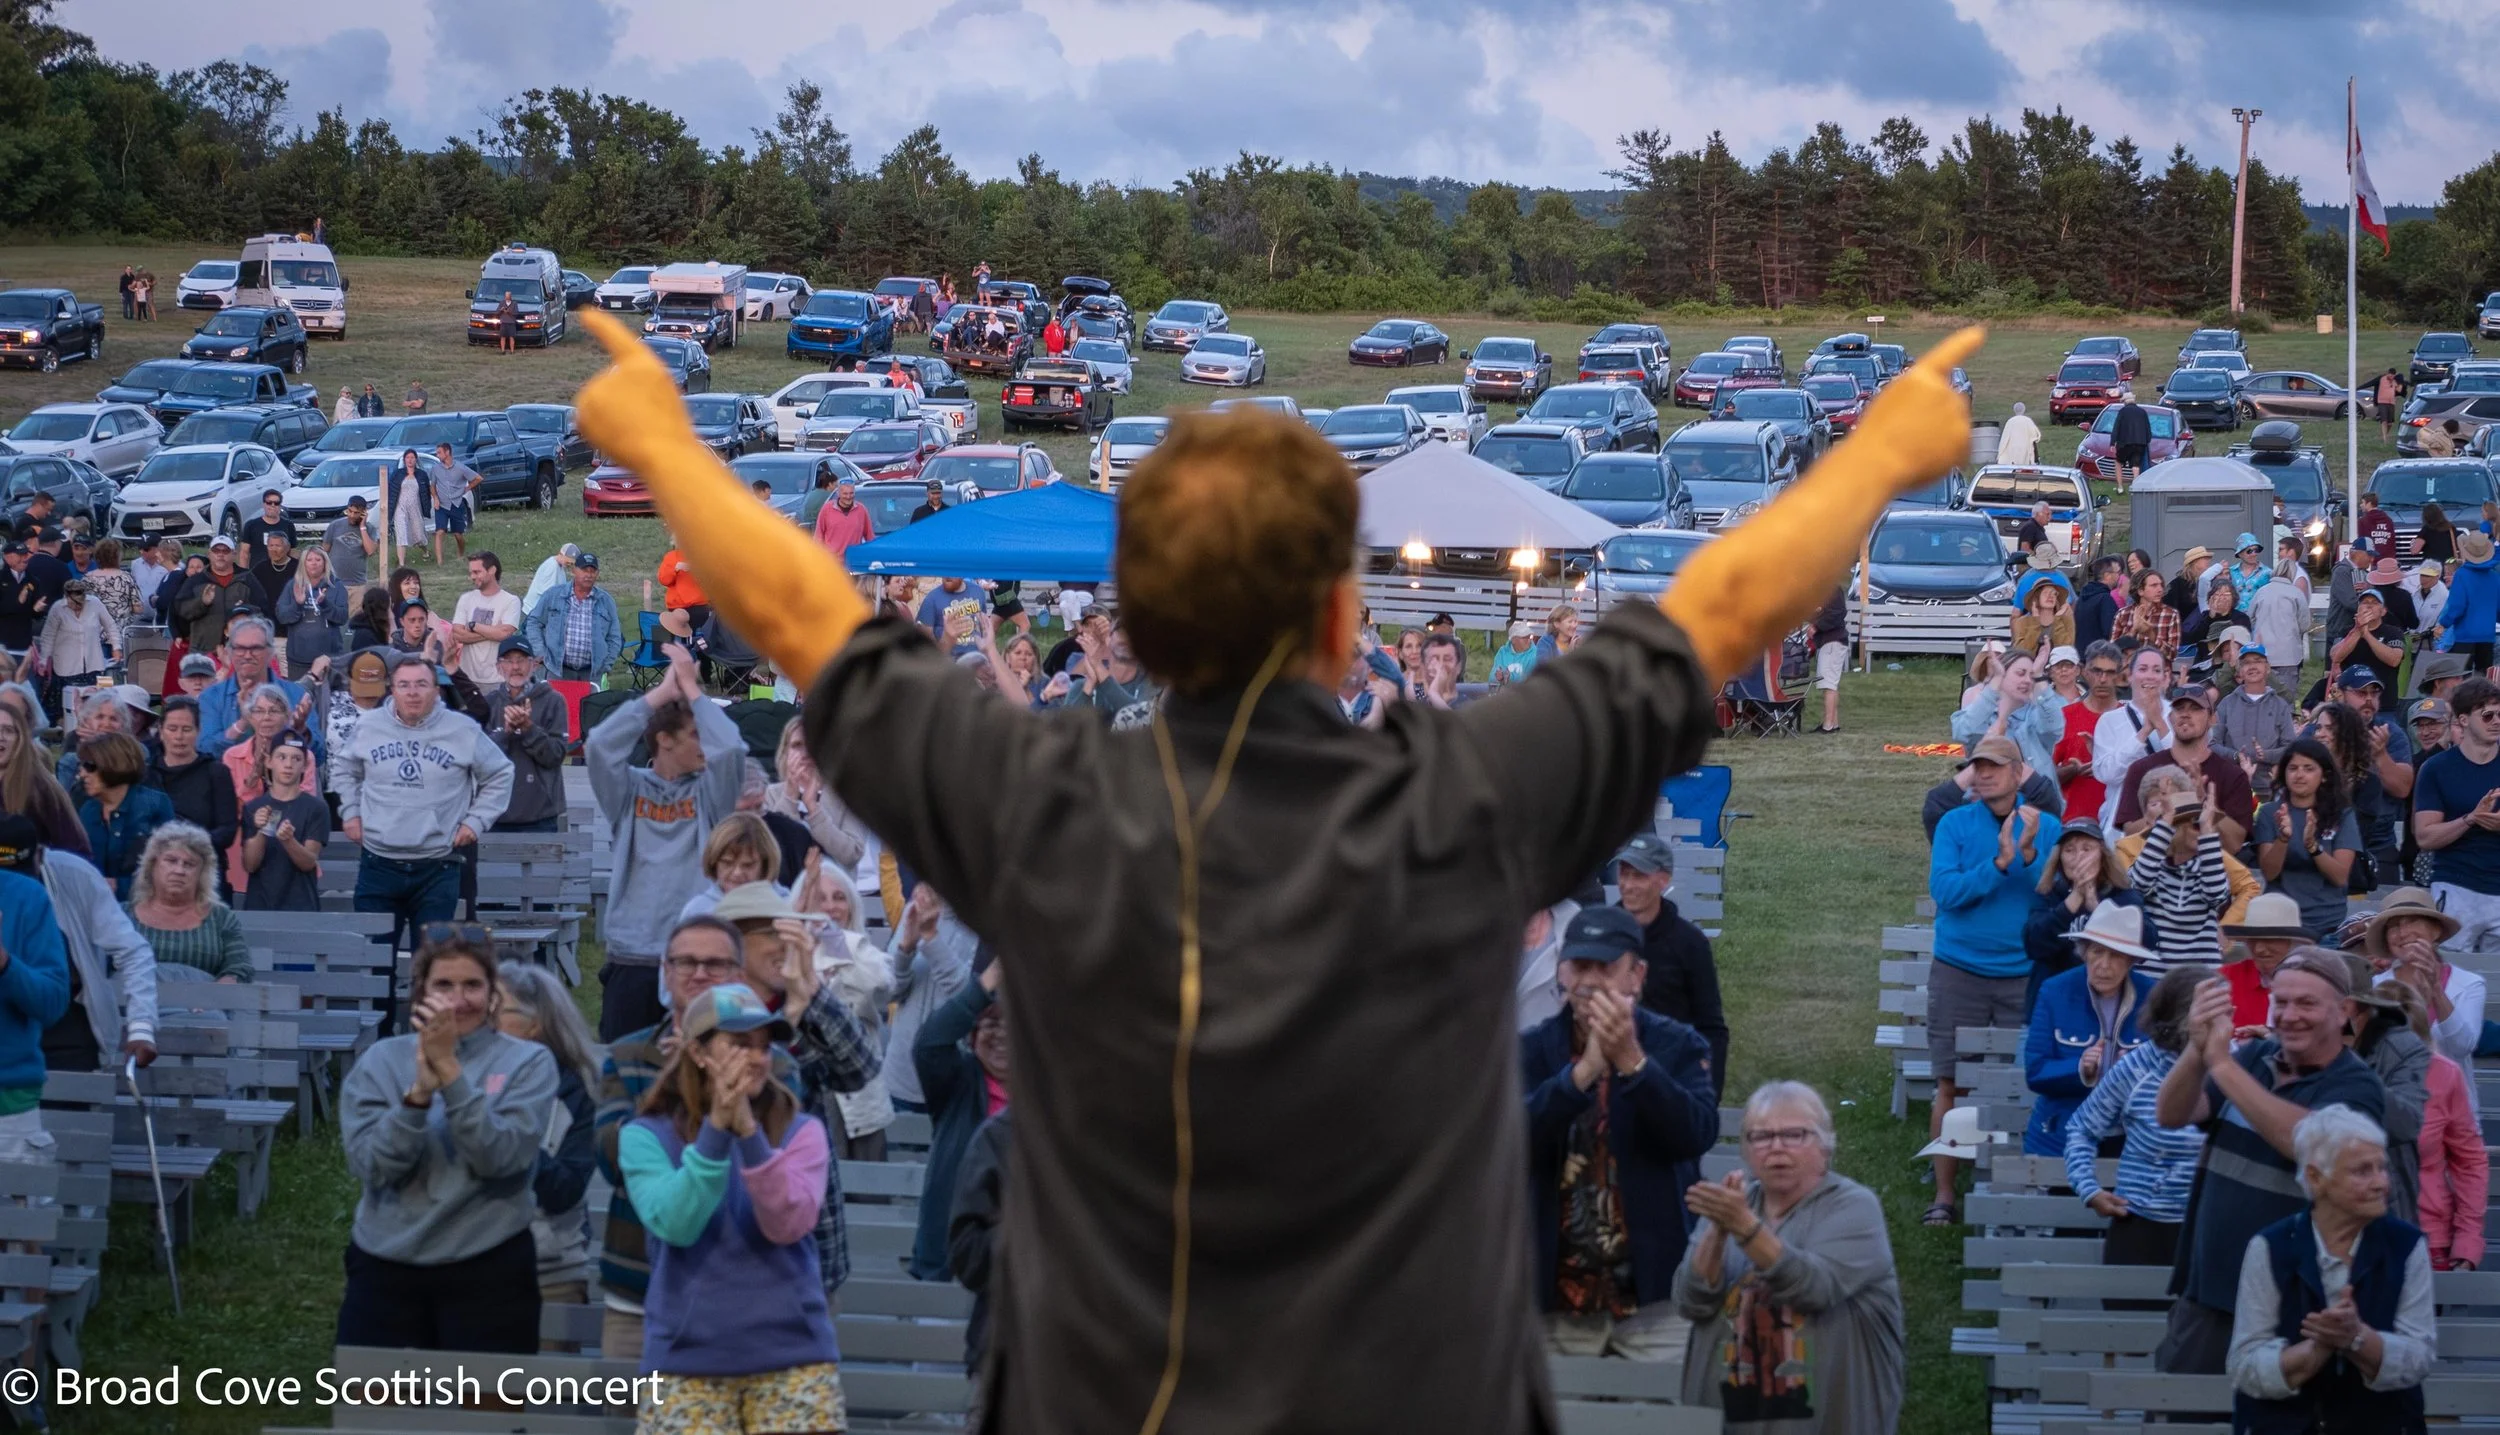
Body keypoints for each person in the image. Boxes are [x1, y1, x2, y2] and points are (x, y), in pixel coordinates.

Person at [572, 306, 1987, 1428]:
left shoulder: (1036, 802)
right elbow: (1719, 607)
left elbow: (811, 615)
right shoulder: (1464, 798)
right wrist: (1875, 455)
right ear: (1341, 607)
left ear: (1135, 620)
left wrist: (667, 445)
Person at [618, 982, 844, 1434]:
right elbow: (676, 1223)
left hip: (794, 1358)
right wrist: (716, 1134)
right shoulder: (643, 1136)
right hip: (684, 1363)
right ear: (698, 1053)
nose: (757, 1058)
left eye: (763, 1046)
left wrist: (750, 1137)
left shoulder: (803, 1131)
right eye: (740, 1044)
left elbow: (788, 1223)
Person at [2154, 950, 2387, 1373]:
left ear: (2344, 1012)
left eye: (2307, 1003)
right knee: (2183, 1406)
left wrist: (2222, 1064)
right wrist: (2197, 1047)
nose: (2289, 1016)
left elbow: (2308, 1143)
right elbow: (2172, 1114)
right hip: (2209, 1291)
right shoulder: (2253, 1058)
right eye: (2281, 1002)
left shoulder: (2358, 1085)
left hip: (2298, 1303)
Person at [337, 928, 556, 1353]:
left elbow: (500, 1158)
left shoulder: (528, 1062)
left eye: (472, 985)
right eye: (443, 985)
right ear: (421, 991)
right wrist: (417, 1097)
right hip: (386, 1265)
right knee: (372, 1397)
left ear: (492, 993)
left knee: (487, 1400)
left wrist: (451, 1075)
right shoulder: (382, 1061)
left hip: (489, 1265)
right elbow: (373, 1167)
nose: (458, 1000)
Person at [1522, 906, 1719, 1361]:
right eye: (1579, 966)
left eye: (1606, 967)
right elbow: (1507, 1145)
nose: (1590, 982)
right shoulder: (1530, 1051)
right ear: (1561, 973)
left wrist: (1634, 1063)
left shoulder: (1677, 1045)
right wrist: (1580, 1076)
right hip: (1554, 1303)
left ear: (1637, 976)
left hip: (1657, 1301)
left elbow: (1696, 1133)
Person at [1672, 1081, 1903, 1433]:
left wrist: (1743, 1227)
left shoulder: (1854, 1208)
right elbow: (1690, 1301)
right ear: (1746, 1150)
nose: (1776, 1147)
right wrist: (1718, 1231)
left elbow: (1813, 1287)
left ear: (1826, 1146)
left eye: (1794, 1135)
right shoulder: (1729, 1206)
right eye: (1761, 1136)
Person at [2224, 1105, 2435, 1431]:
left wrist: (2357, 1337)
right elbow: (2244, 1366)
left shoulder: (2407, 1246)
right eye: (2362, 1171)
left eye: (2382, 1168)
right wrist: (2318, 1348)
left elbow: (2420, 1358)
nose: (2381, 1183)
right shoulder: (2269, 1246)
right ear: (2315, 1177)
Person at [585, 643, 744, 1040]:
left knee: (705, 1067)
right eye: (695, 735)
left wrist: (693, 691)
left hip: (698, 958)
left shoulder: (711, 795)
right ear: (665, 740)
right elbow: (599, 746)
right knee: (627, 1066)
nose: (705, 744)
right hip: (634, 955)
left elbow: (730, 749)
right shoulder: (628, 791)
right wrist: (659, 695)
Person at [1926, 734, 2052, 1224]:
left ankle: (2021, 1186)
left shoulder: (2049, 826)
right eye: (1978, 765)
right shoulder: (1955, 824)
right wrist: (1998, 864)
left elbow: (2054, 897)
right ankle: (1944, 1195)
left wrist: (2027, 855)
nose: (1983, 773)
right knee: (1952, 1082)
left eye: (1995, 766)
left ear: (2019, 773)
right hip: (1960, 970)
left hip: (2025, 973)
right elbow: (1946, 892)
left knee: (2028, 1082)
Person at [334, 653, 513, 960]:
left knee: (433, 965)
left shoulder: (462, 729)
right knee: (373, 963)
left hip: (437, 866)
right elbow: (343, 768)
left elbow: (501, 773)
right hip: (378, 863)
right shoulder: (369, 726)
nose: (412, 692)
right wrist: (350, 812)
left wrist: (475, 821)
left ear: (436, 689)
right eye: (404, 685)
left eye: (421, 684)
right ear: (392, 689)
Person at [2064, 965, 2209, 1283]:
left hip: (2211, 1229)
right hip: (2140, 1225)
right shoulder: (2137, 1066)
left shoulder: (2236, 1066)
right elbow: (2081, 1128)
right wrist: (2089, 1189)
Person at [493, 960, 601, 1324]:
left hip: (547, 1270)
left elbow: (565, 1189)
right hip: (461, 1263)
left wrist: (511, 1140)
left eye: (499, 1010)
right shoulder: (457, 1076)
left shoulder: (572, 1091)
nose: (485, 1020)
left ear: (534, 1024)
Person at [2023, 902, 2155, 1155]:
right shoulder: (2054, 991)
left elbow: (2168, 1071)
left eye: (2116, 955)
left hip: (2132, 1141)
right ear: (2083, 953)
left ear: (2132, 960)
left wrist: (2139, 1073)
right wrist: (2080, 1068)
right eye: (2097, 952)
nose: (2104, 964)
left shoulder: (2153, 996)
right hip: (2061, 1138)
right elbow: (2036, 1071)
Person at [913, 956, 1008, 1282]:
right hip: (950, 1257)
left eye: (1013, 1026)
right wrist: (986, 983)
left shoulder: (1045, 1096)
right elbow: (929, 1044)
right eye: (992, 1024)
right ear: (972, 1036)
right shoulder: (958, 1081)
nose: (1002, 1035)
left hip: (1025, 1261)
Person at [1612, 832, 1727, 1093]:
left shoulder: (1690, 943)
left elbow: (1711, 1026)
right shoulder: (1603, 934)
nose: (1627, 885)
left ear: (1663, 880)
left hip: (1671, 1079)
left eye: (1639, 876)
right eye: (1624, 874)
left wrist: (1708, 1094)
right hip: (1610, 1081)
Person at [2359, 889, 2487, 1077]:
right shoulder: (2377, 985)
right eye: (2394, 926)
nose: (2403, 933)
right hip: (2395, 1091)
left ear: (2435, 930)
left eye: (2412, 921)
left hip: (2450, 1092)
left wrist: (2436, 991)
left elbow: (2462, 1047)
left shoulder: (2469, 983)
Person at [2121, 765, 2238, 971]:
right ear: (2147, 818)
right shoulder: (2144, 862)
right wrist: (2165, 824)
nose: (2169, 810)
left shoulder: (2209, 863)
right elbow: (2138, 886)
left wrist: (2207, 831)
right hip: (2151, 978)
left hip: (2198, 977)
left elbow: (2216, 895)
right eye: (2157, 804)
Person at [2023, 816, 2139, 1008]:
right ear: (2059, 858)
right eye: (2069, 850)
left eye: (2087, 849)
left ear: (2102, 854)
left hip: (2109, 1002)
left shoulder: (2122, 894)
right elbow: (2034, 945)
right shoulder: (2048, 894)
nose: (2078, 857)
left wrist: (2096, 907)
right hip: (2053, 1004)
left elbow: (2146, 939)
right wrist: (2074, 899)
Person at [2253, 738, 2362, 940]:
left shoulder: (2342, 815)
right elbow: (2269, 873)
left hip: (2327, 925)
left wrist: (2312, 846)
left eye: (2308, 768)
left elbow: (2340, 876)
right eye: (2293, 768)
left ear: (2324, 775)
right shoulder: (2270, 813)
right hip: (2279, 923)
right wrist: (2283, 838)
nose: (2299, 775)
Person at [885, 881, 976, 1111]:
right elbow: (890, 992)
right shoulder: (915, 908)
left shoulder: (983, 921)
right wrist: (905, 949)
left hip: (955, 1085)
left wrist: (931, 938)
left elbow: (970, 998)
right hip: (901, 1079)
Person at [122, 822, 252, 981]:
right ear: (152, 866)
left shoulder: (221, 918)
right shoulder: (122, 916)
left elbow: (239, 967)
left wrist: (220, 991)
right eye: (171, 860)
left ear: (202, 873)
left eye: (189, 864)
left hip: (205, 997)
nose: (179, 871)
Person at [198, 616, 317, 765]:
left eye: (255, 648)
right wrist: (241, 724)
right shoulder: (211, 697)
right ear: (230, 652)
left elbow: (318, 755)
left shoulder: (297, 695)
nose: (247, 655)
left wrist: (299, 731)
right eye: (240, 648)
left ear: (270, 652)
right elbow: (204, 752)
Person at [2414, 1028, 2487, 1272]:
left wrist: (2468, 1242)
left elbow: (2470, 1161)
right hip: (2347, 1238)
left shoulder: (2443, 1073)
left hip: (2429, 1241)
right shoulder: (2338, 1073)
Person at [481, 639, 567, 833]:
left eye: (521, 660)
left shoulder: (553, 701)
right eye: (508, 661)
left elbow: (556, 756)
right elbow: (479, 760)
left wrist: (529, 728)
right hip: (494, 813)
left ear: (533, 665)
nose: (515, 667)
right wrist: (505, 733)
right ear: (498, 667)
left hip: (541, 815)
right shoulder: (488, 703)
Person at [74, 731, 171, 900]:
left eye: (89, 766)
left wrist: (120, 885)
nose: (82, 774)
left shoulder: (155, 805)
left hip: (143, 905)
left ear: (113, 763)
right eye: (81, 766)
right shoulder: (87, 811)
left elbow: (169, 866)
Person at [1951, 649, 2061, 779]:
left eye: (2032, 676)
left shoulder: (2036, 716)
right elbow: (1963, 732)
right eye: (2020, 673)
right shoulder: (1982, 718)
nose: (2028, 680)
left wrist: (2040, 677)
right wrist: (1995, 683)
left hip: (2040, 791)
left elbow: (2055, 727)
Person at [2218, 646, 2297, 792]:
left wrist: (2266, 755)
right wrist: (2236, 756)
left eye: (2258, 661)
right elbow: (2212, 744)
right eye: (2246, 663)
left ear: (2267, 668)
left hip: (2269, 788)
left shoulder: (2280, 706)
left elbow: (2291, 747)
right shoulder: (2226, 704)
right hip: (2231, 785)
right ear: (2240, 671)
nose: (2252, 666)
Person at [170, 535, 254, 655]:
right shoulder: (196, 581)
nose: (220, 554)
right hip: (202, 653)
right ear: (209, 554)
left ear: (234, 554)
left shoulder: (247, 578)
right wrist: (202, 603)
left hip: (240, 651)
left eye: (225, 551)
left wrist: (245, 611)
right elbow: (180, 610)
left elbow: (262, 610)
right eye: (216, 550)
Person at [448, 553, 521, 692]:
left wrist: (473, 626)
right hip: (467, 678)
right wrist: (494, 631)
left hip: (497, 680)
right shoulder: (466, 599)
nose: (472, 577)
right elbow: (457, 634)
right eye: (471, 573)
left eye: (477, 572)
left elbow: (504, 634)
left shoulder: (511, 601)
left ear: (492, 570)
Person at [277, 546, 349, 672]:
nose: (314, 563)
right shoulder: (293, 585)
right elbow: (282, 617)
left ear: (325, 563)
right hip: (299, 659)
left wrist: (325, 604)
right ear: (303, 564)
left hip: (329, 658)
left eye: (318, 559)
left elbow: (342, 618)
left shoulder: (336, 585)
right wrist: (297, 604)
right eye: (309, 560)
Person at [2114, 569, 2180, 655]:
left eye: (2161, 585)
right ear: (2140, 591)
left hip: (2158, 663)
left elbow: (2173, 655)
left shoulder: (2171, 614)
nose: (2160, 589)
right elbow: (2113, 653)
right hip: (2131, 663)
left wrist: (2151, 636)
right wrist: (2134, 630)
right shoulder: (2123, 614)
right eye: (2154, 585)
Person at [813, 477, 876, 555]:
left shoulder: (861, 510)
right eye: (845, 494)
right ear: (838, 494)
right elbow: (818, 537)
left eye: (851, 493)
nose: (848, 497)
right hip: (831, 560)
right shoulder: (827, 509)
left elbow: (870, 537)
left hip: (854, 559)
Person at [2109, 398, 2152, 485]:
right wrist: (2146, 441)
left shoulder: (2123, 411)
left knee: (2118, 462)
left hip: (2124, 444)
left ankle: (2120, 487)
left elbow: (2116, 427)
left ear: (2125, 402)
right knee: (2136, 465)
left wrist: (2112, 443)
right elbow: (2148, 429)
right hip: (2140, 443)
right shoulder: (2142, 412)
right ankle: (2135, 485)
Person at [1998, 401, 2041, 466]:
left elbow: (2004, 438)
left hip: (2012, 448)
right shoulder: (2028, 420)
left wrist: (2000, 453)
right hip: (2025, 448)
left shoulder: (2010, 421)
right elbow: (2034, 436)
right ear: (2024, 409)